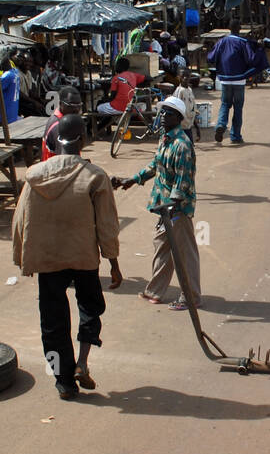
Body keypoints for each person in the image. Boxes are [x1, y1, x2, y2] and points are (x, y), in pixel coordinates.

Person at [11, 114, 122, 400]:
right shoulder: (95, 177)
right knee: (91, 307)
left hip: (48, 260)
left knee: (52, 322)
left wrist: (24, 258)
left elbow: (20, 219)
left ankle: (64, 381)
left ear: (54, 140)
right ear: (82, 141)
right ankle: (82, 363)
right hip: (83, 257)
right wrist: (114, 264)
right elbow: (107, 225)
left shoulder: (34, 176)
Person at [115, 97, 200, 310]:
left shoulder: (182, 146)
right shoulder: (165, 138)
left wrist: (171, 209)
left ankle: (191, 297)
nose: (163, 117)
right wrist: (133, 179)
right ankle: (155, 290)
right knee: (161, 247)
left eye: (168, 114)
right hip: (164, 207)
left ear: (179, 118)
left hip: (176, 209)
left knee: (184, 253)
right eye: (162, 113)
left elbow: (183, 181)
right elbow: (156, 164)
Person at [207, 18, 263, 144]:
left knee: (225, 103)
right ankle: (235, 136)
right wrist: (259, 50)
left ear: (229, 28)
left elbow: (211, 57)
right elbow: (251, 59)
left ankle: (220, 125)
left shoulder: (222, 41)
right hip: (239, 79)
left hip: (225, 79)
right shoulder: (243, 43)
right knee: (238, 107)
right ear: (239, 29)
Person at [41, 85, 83, 160]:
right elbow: (67, 160)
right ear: (60, 104)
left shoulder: (58, 117)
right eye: (71, 105)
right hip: (56, 169)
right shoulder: (59, 127)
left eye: (79, 105)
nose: (76, 109)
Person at [170, 70, 199, 142]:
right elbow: (176, 109)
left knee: (190, 147)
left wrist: (197, 127)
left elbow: (193, 109)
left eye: (187, 76)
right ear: (178, 77)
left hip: (188, 126)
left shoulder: (189, 90)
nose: (185, 78)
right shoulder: (179, 91)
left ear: (190, 77)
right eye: (183, 76)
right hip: (181, 127)